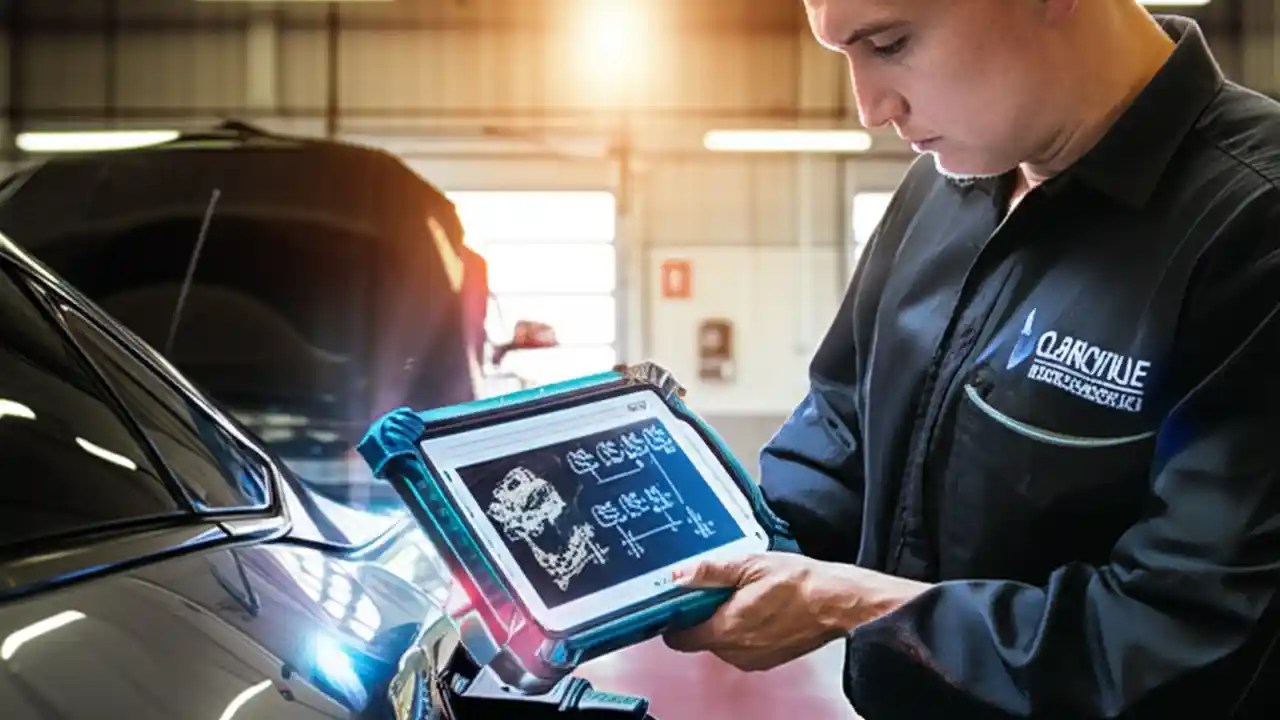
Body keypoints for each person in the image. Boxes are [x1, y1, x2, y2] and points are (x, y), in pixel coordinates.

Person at [663, 1, 1280, 717]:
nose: (869, 106)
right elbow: (843, 430)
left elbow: (1186, 639)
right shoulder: (941, 184)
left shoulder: (1252, 228)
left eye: (890, 44)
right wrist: (692, 553)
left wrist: (857, 607)